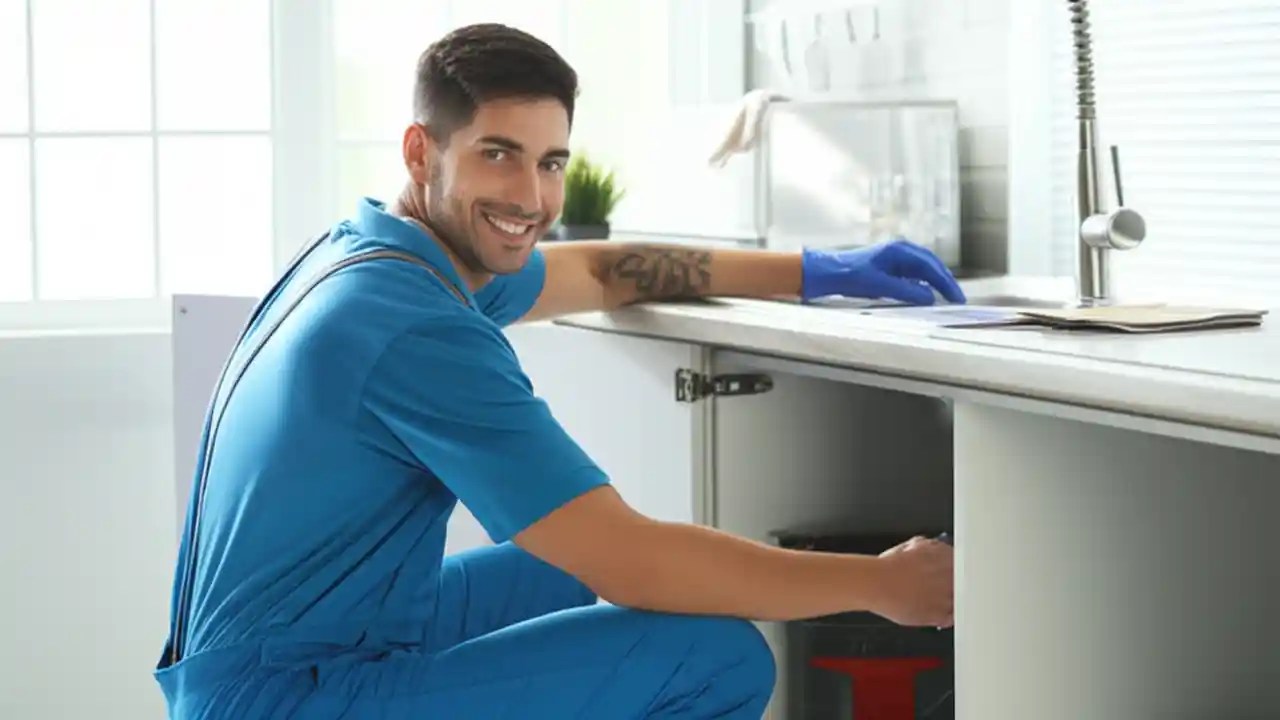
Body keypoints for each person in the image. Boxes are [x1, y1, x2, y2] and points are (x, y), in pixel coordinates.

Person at [154, 22, 962, 720]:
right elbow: (629, 559)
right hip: (288, 697)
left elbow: (607, 273)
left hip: (291, 652)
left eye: (550, 162)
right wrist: (879, 583)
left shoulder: (379, 256)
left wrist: (810, 268)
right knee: (717, 654)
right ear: (419, 150)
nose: (531, 195)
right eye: (499, 155)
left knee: (556, 567)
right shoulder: (414, 325)